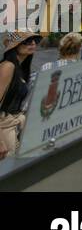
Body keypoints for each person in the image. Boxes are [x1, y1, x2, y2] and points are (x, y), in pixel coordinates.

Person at [0, 32, 39, 160]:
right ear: (15, 46)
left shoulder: (21, 68)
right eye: (27, 41)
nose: (32, 43)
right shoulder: (8, 66)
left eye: (34, 40)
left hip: (14, 125)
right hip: (4, 128)